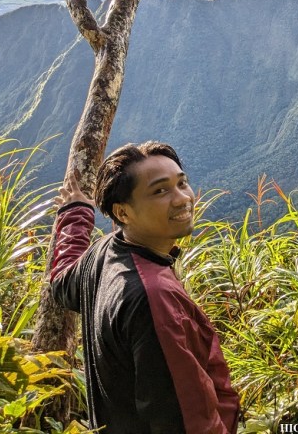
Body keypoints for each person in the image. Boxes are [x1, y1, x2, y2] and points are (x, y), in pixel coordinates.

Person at [49, 141, 240, 434]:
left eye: (182, 183)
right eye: (160, 190)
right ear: (122, 213)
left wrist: (76, 213)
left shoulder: (105, 252)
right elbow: (186, 419)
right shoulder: (154, 297)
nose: (182, 199)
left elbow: (62, 282)